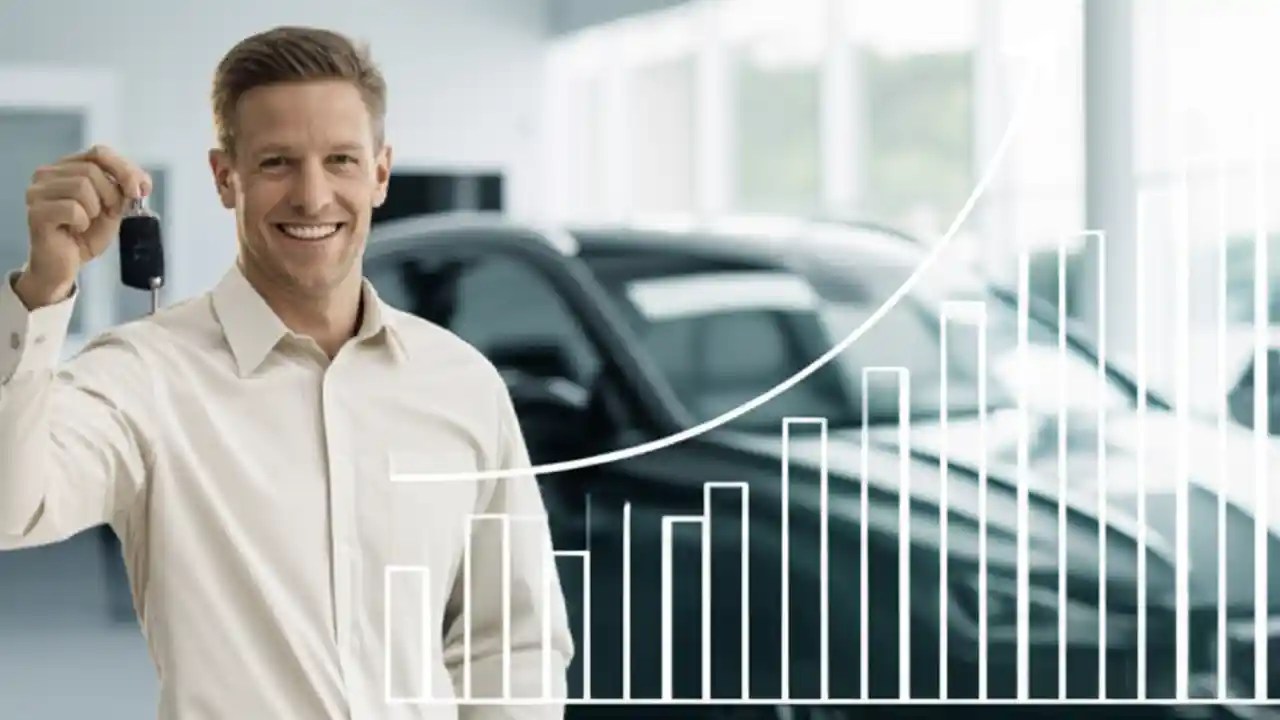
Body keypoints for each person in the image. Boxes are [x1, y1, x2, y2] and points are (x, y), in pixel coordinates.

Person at [0, 26, 573, 719]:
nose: (311, 196)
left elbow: (513, 639)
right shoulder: (145, 374)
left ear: (380, 173)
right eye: (277, 163)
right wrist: (41, 294)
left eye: (340, 160)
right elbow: (14, 509)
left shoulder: (462, 384)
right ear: (224, 178)